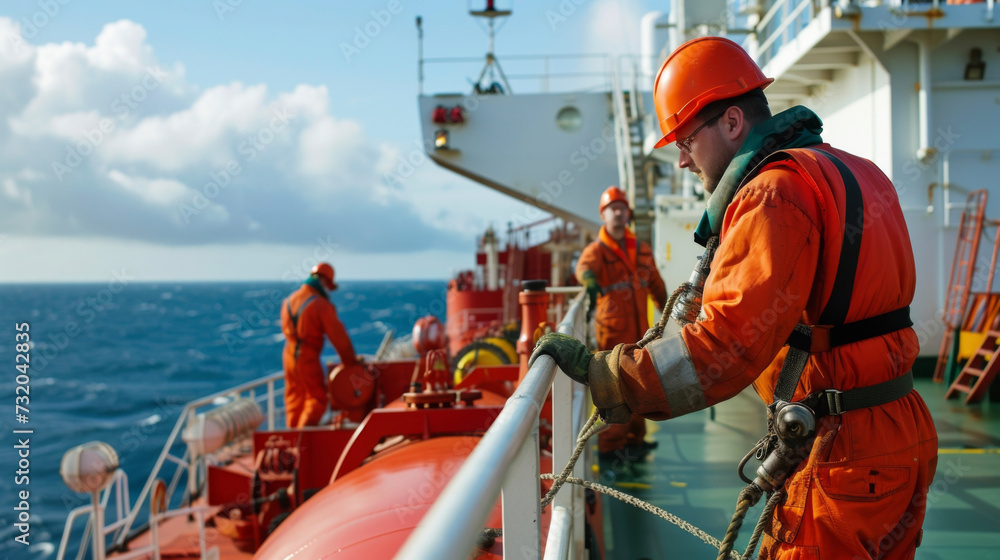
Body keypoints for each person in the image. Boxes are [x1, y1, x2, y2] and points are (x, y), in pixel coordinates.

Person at [533, 37, 937, 558]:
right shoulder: (857, 172)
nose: (680, 160)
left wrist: (608, 375)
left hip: (844, 452)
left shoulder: (774, 193)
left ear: (730, 123)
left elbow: (725, 346)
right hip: (903, 430)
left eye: (684, 141)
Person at [577, 186, 666, 458]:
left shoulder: (640, 249)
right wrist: (589, 281)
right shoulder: (598, 251)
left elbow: (655, 284)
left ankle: (634, 442)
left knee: (640, 386)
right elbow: (583, 268)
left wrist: (669, 312)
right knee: (613, 392)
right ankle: (610, 448)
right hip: (611, 335)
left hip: (640, 335)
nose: (618, 213)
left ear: (628, 213)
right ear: (603, 215)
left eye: (621, 208)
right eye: (612, 209)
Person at [281, 263, 357, 428]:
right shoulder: (321, 306)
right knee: (317, 399)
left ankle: (291, 437)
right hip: (306, 356)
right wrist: (350, 361)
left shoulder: (289, 300)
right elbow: (339, 338)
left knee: (294, 397)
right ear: (324, 282)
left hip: (288, 354)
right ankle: (301, 438)